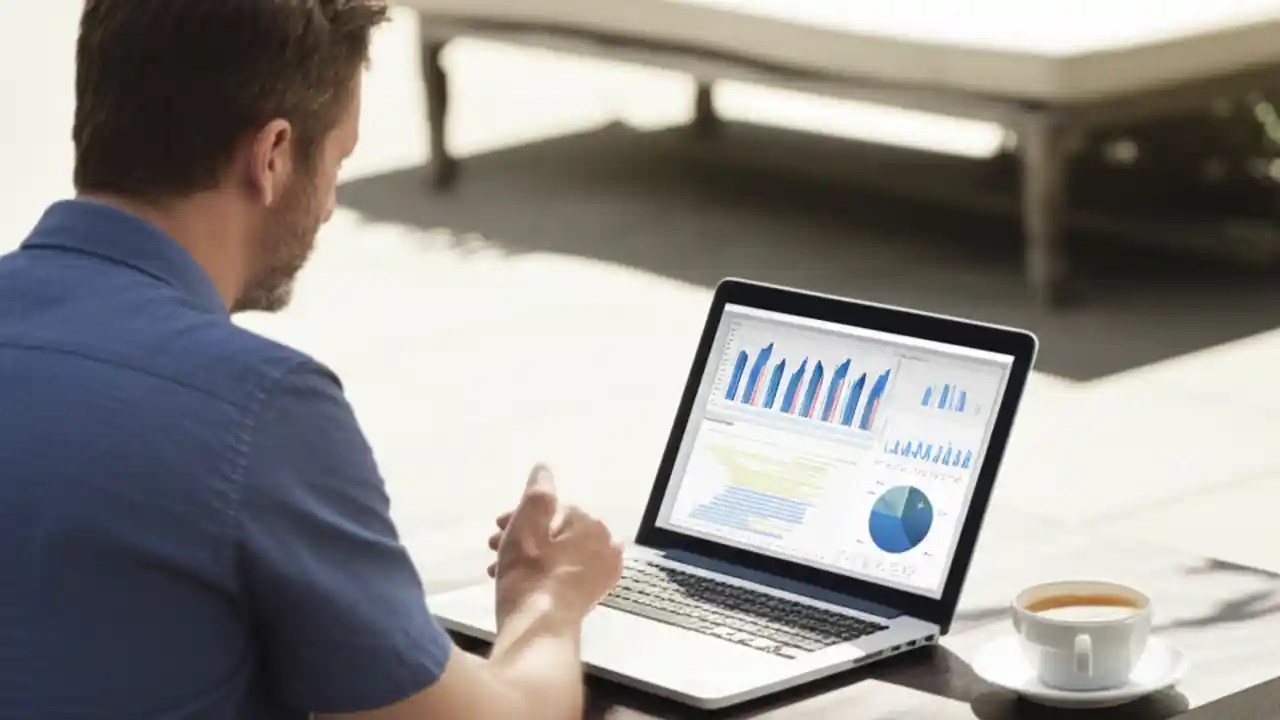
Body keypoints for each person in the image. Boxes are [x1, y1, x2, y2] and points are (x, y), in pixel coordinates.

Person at [0, 1, 623, 718]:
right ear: (272, 156)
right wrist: (548, 597)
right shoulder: (257, 409)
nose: (329, 203)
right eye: (338, 159)